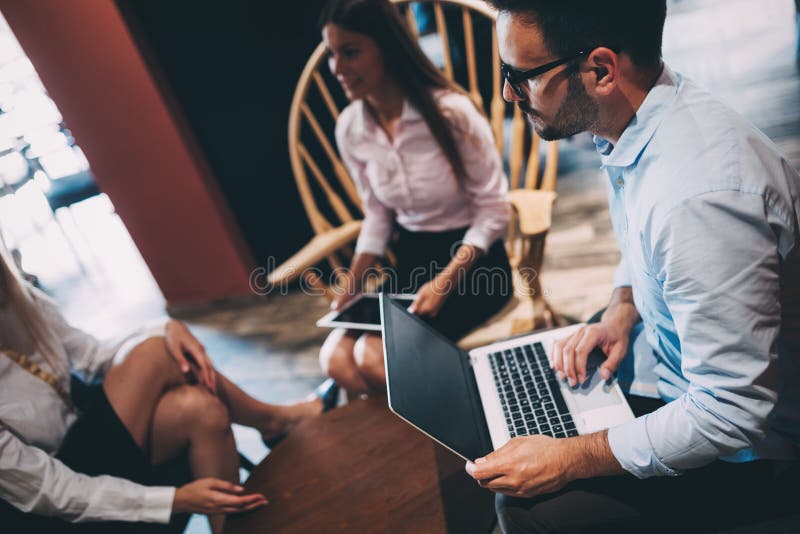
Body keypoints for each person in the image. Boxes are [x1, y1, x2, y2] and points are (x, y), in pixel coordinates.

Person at [463, 1, 800, 532]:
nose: (508, 93)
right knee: (528, 399)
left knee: (527, 511)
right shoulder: (640, 117)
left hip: (758, 455)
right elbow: (646, 245)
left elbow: (731, 412)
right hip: (674, 370)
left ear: (600, 70)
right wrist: (622, 309)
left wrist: (570, 456)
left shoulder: (699, 199)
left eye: (520, 76)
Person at [0, 246, 334, 534]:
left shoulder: (15, 299)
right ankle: (273, 421)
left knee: (199, 410)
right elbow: (50, 491)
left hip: (88, 440)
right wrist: (173, 499)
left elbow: (92, 356)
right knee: (154, 353)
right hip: (53, 508)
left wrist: (166, 326)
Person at [318, 0, 513, 395]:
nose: (338, 69)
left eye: (350, 52)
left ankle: (451, 431)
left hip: (473, 264)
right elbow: (377, 215)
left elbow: (494, 210)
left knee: (372, 359)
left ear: (387, 47)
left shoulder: (452, 114)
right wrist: (353, 283)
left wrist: (446, 280)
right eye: (332, 54)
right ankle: (413, 441)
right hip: (410, 262)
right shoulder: (351, 128)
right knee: (335, 359)